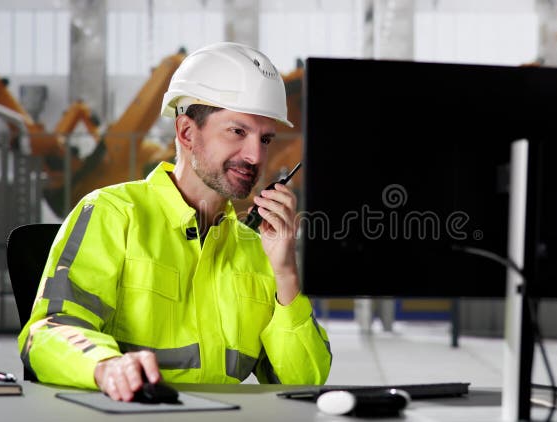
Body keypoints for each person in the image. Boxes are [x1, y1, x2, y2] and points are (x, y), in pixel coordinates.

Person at [17, 42, 332, 401]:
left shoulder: (259, 248)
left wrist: (286, 271)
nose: (255, 155)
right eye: (237, 132)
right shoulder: (112, 214)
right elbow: (49, 330)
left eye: (266, 138)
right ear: (186, 132)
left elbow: (305, 383)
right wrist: (105, 366)